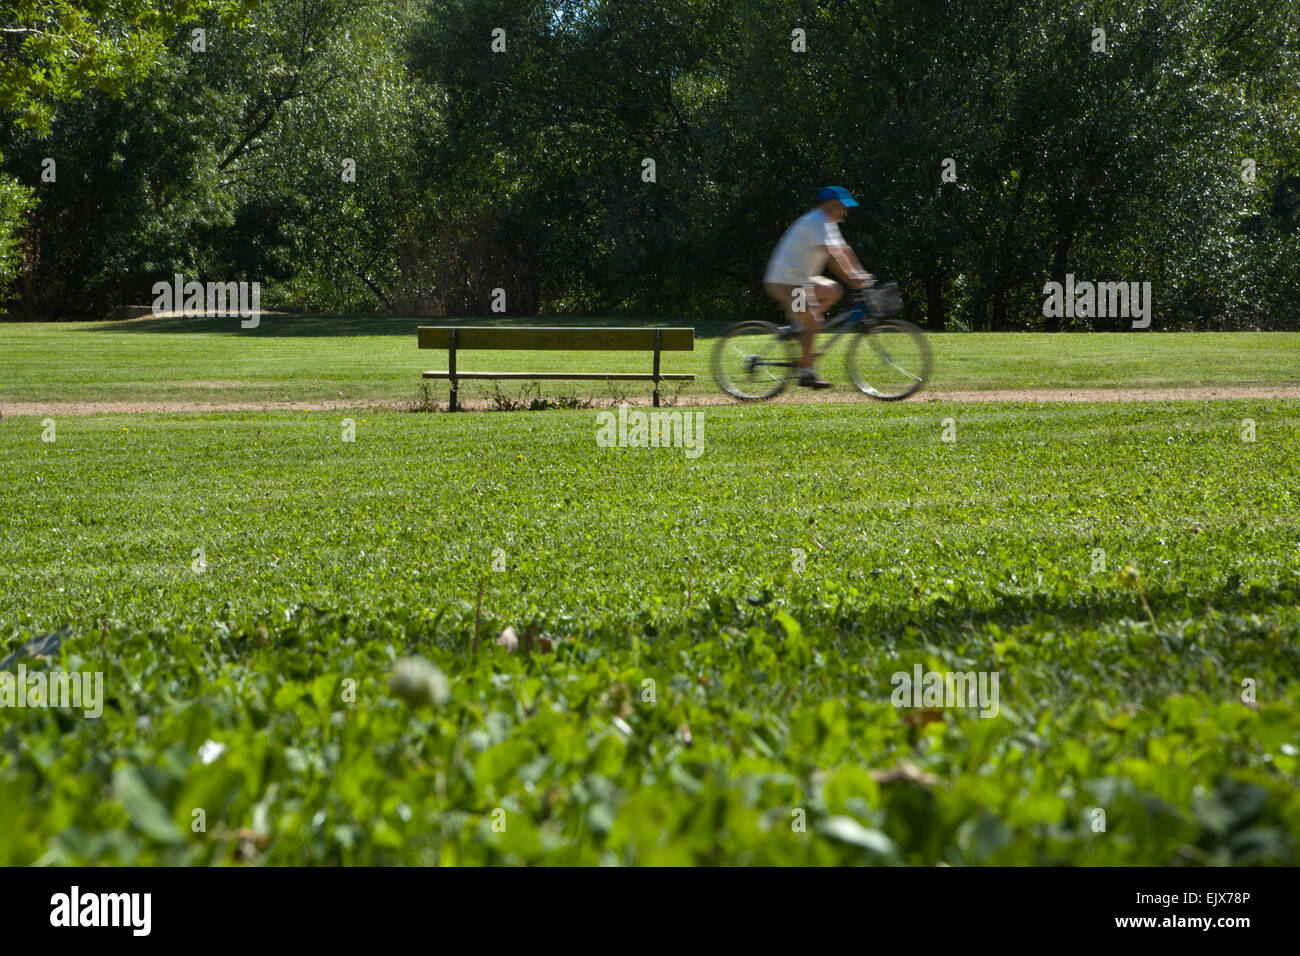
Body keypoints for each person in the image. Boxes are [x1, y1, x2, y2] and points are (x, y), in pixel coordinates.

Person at [763, 186, 873, 388]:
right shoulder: (815, 221)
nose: (844, 211)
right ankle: (806, 373)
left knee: (832, 290)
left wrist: (859, 273)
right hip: (786, 281)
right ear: (830, 205)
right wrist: (851, 278)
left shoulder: (828, 223)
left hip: (799, 279)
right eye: (841, 206)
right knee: (813, 321)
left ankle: (800, 327)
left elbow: (843, 251)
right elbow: (831, 255)